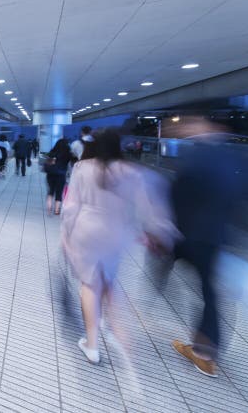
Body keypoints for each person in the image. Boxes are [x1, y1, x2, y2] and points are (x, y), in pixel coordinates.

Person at [61, 129, 177, 365]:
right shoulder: (132, 172)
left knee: (89, 284)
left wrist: (65, 235)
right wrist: (155, 232)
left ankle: (92, 345)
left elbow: (71, 206)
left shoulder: (83, 168)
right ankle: (114, 326)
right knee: (108, 279)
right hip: (115, 233)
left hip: (86, 229)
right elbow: (148, 206)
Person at [169, 119, 246, 377]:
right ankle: (206, 347)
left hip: (194, 235)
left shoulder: (199, 155)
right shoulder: (232, 156)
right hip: (215, 234)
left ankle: (204, 352)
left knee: (207, 292)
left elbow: (177, 194)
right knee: (209, 291)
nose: (183, 128)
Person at [44, 138, 72, 214]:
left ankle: (49, 207)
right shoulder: (68, 154)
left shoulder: (52, 152)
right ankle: (56, 210)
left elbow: (47, 162)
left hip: (50, 174)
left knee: (51, 191)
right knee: (59, 193)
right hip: (61, 175)